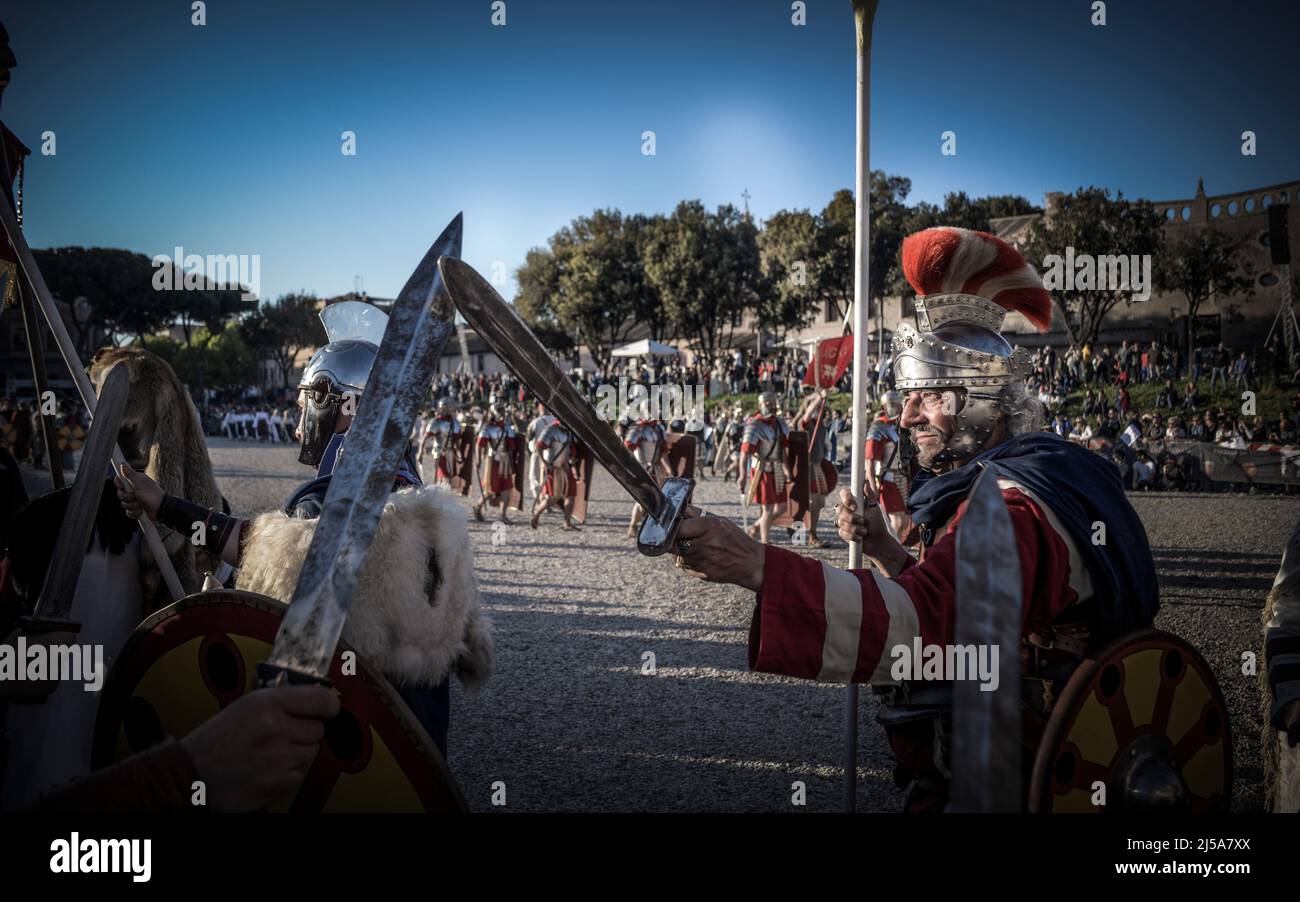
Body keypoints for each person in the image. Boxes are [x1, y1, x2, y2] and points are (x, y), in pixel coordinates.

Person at [672, 226, 1159, 811]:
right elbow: (957, 597)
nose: (905, 417)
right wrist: (886, 548)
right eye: (907, 397)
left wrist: (757, 563)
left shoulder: (1018, 507)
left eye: (925, 396)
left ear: (977, 399)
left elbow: (928, 624)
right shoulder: (1002, 483)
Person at [113, 300, 492, 757]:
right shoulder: (432, 505)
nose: (297, 429)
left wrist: (164, 506)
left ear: (340, 405)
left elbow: (261, 552)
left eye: (304, 406)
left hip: (352, 749)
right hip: (423, 746)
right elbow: (467, 646)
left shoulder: (327, 504)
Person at [737, 391, 790, 545]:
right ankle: (766, 544)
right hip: (762, 470)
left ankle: (755, 527)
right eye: (768, 403)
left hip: (777, 468)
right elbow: (745, 452)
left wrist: (786, 469)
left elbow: (782, 449)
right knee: (767, 509)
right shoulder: (754, 425)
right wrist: (742, 475)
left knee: (782, 507)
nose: (772, 406)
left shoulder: (780, 423)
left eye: (773, 403)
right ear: (761, 405)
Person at [864, 390, 910, 541]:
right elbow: (869, 463)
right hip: (886, 479)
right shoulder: (878, 428)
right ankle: (889, 558)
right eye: (892, 404)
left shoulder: (901, 427)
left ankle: (891, 555)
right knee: (896, 521)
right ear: (884, 406)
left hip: (901, 477)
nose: (895, 408)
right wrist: (873, 488)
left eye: (898, 404)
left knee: (902, 521)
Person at [792, 387, 832, 547]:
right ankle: (808, 535)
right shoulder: (806, 424)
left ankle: (811, 533)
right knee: (806, 503)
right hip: (805, 467)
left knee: (819, 502)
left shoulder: (819, 425)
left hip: (817, 467)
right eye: (813, 405)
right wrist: (818, 398)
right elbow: (806, 416)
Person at [624, 413, 671, 538]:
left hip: (656, 470)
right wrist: (634, 468)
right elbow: (627, 450)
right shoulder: (637, 429)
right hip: (641, 469)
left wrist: (669, 470)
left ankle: (650, 528)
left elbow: (663, 453)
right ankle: (633, 525)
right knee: (643, 499)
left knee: (658, 500)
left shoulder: (659, 429)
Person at [530, 414, 580, 531]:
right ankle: (537, 511)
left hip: (566, 468)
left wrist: (574, 463)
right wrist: (545, 463)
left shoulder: (569, 432)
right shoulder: (551, 430)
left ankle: (567, 523)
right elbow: (538, 446)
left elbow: (572, 451)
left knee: (571, 496)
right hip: (554, 468)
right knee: (553, 497)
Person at [474, 402, 519, 523]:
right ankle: (478, 506)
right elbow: (479, 445)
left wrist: (513, 463)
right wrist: (478, 460)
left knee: (507, 488)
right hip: (493, 462)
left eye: (503, 411)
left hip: (505, 462)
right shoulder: (488, 429)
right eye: (499, 411)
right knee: (491, 489)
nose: (502, 413)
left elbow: (512, 448)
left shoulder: (508, 428)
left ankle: (502, 515)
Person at [419, 398, 464, 488]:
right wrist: (420, 452)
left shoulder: (455, 423)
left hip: (450, 453)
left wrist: (459, 453)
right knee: (439, 478)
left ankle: (446, 497)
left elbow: (456, 441)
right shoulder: (436, 422)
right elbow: (425, 437)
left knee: (449, 478)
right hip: (439, 452)